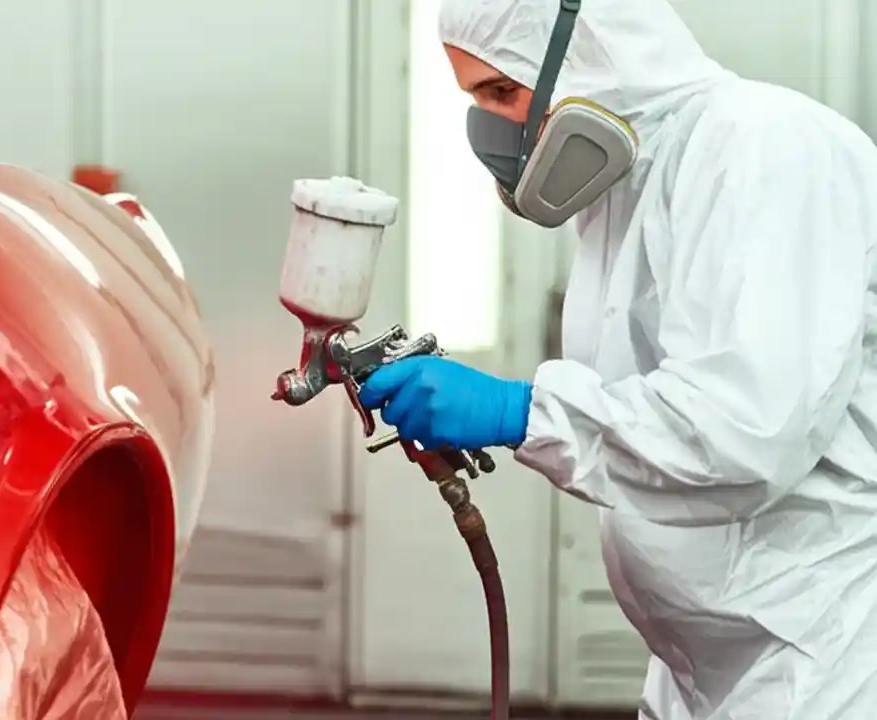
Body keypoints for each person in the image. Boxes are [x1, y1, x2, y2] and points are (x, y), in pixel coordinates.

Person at [358, 1, 877, 718]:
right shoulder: (625, 187)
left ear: (587, 51)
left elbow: (746, 430)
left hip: (819, 646)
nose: (489, 128)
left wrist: (518, 411)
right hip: (706, 655)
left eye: (501, 93)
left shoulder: (762, 147)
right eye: (476, 99)